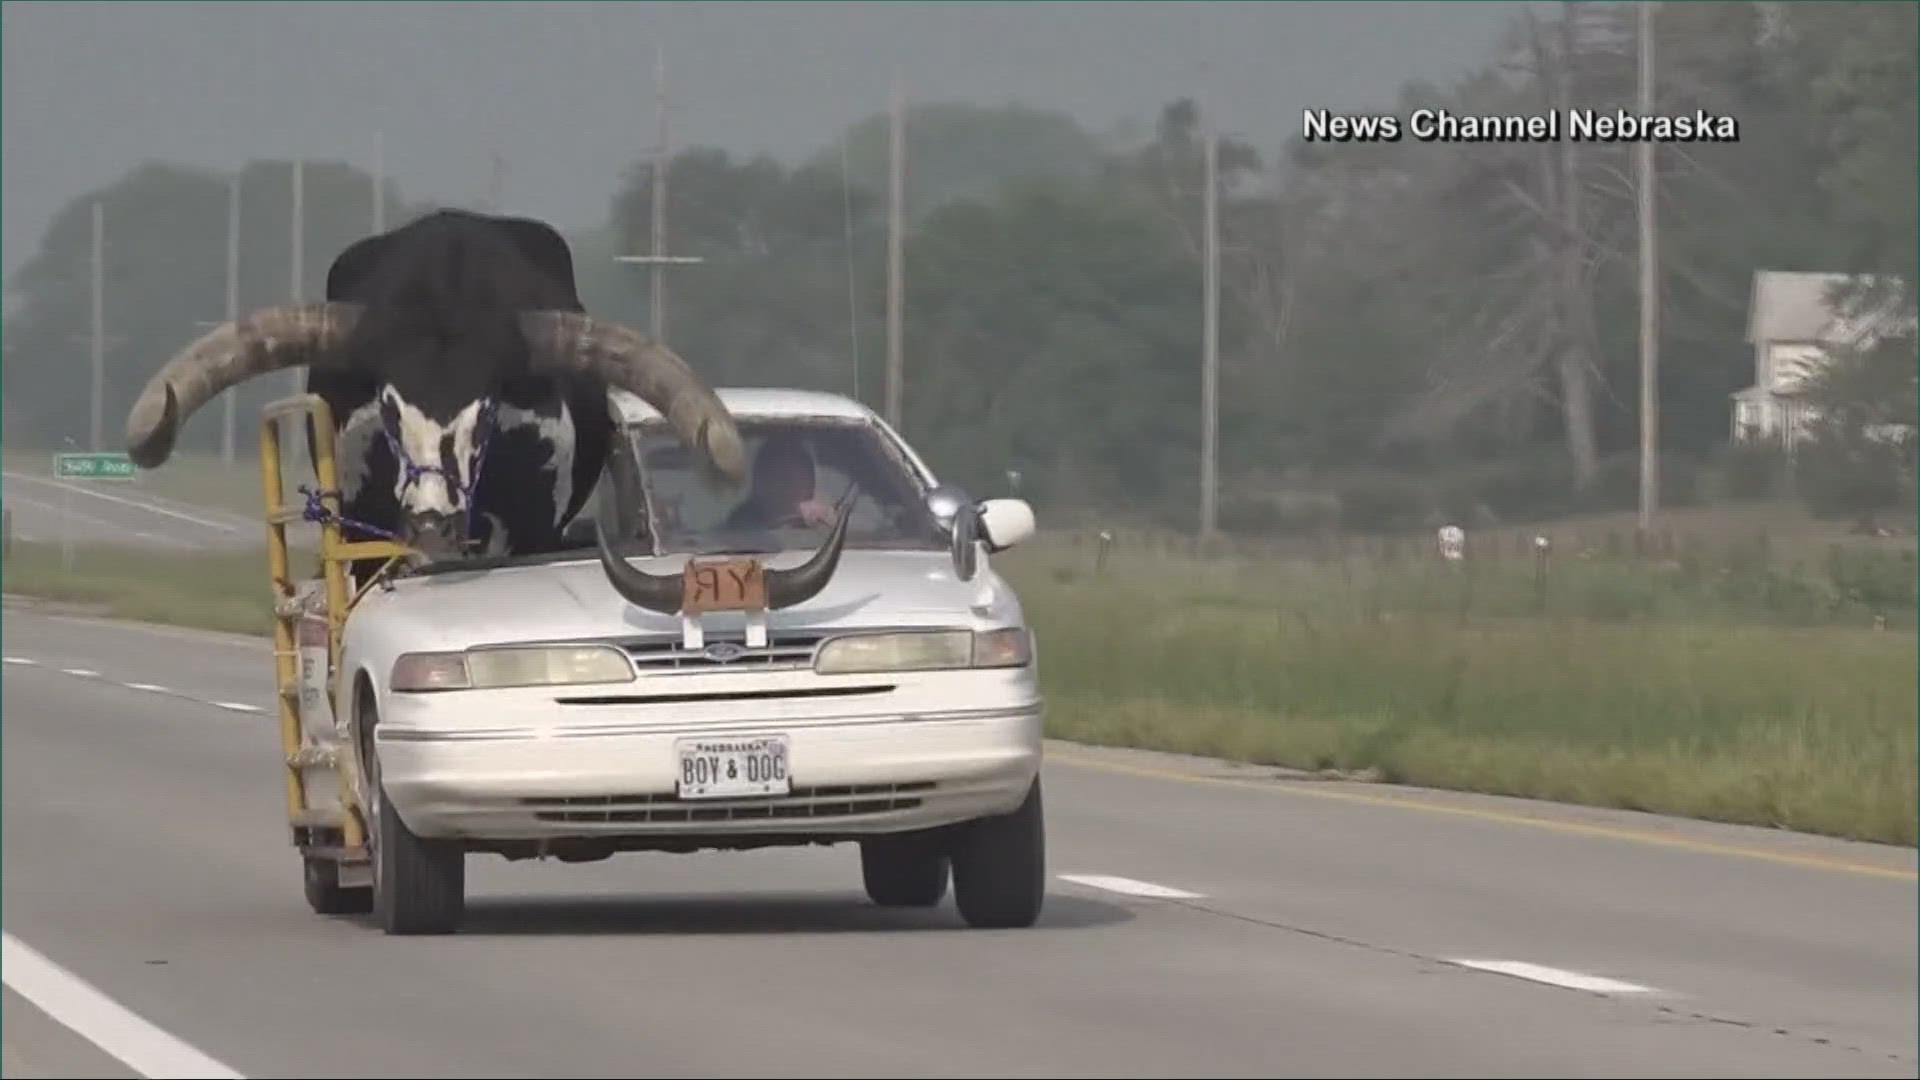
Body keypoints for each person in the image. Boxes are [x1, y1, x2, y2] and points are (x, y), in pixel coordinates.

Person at [724, 430, 837, 531]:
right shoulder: (733, 534)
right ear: (759, 482)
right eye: (782, 478)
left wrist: (829, 526)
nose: (789, 489)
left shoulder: (826, 524)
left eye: (797, 478)